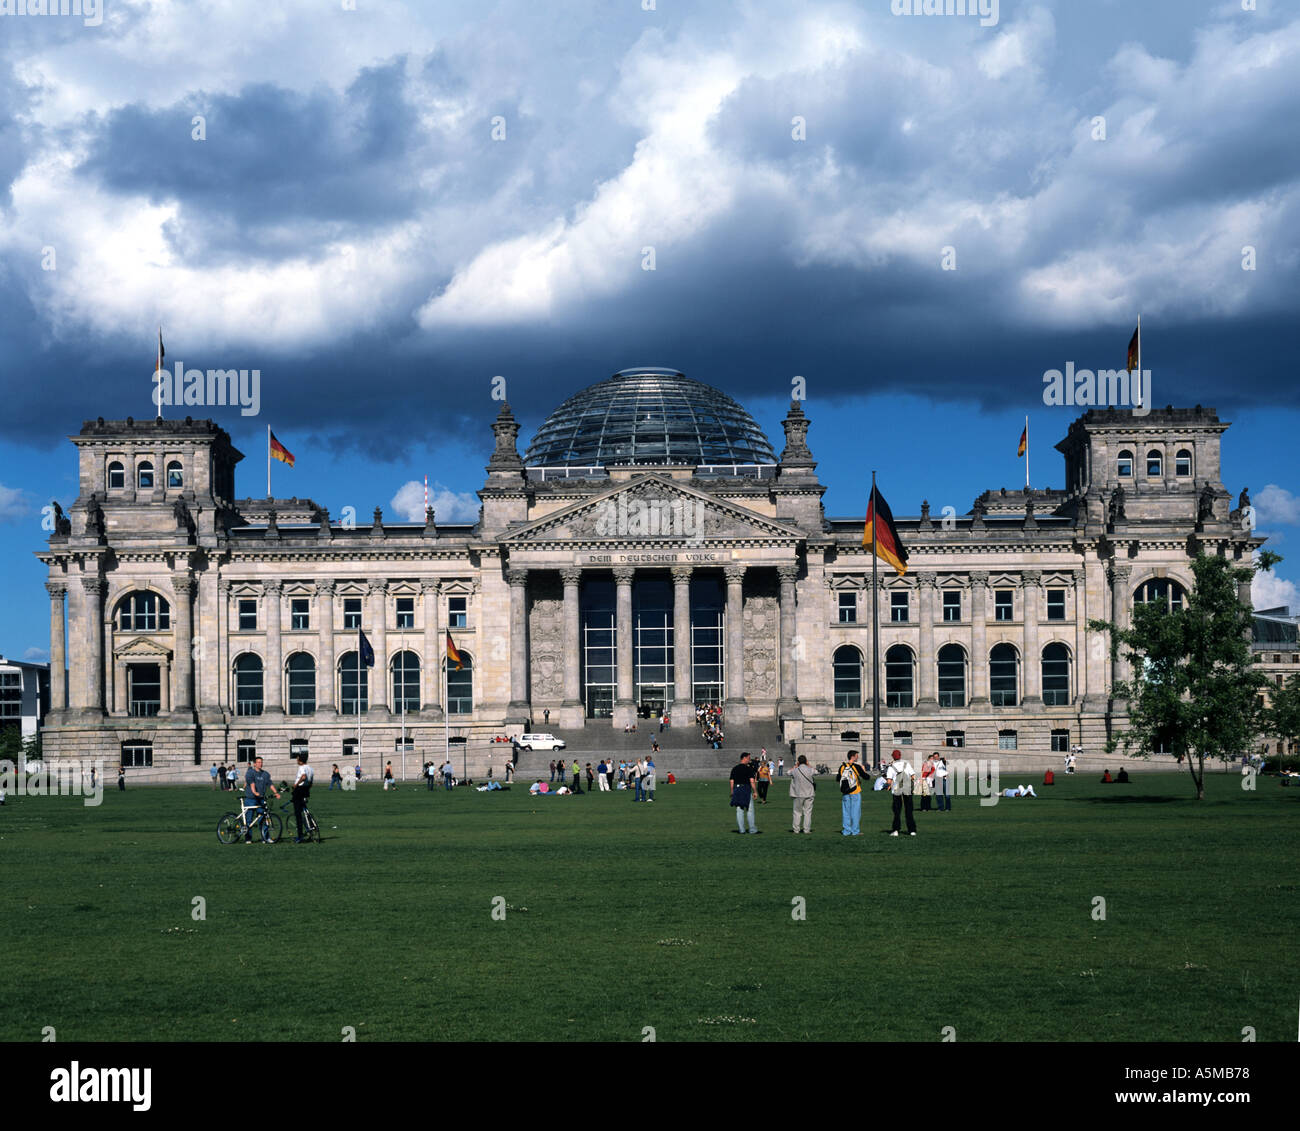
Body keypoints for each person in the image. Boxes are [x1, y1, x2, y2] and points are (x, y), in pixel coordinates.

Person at [243, 755, 280, 843]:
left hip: (261, 799)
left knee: (263, 819)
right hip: (251, 799)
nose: (261, 764)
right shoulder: (250, 773)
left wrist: (276, 792)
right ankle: (248, 838)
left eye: (261, 762)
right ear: (254, 764)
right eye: (259, 762)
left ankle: (265, 837)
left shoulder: (265, 774)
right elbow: (251, 783)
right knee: (249, 819)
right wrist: (255, 792)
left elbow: (270, 784)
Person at [887, 750, 917, 837]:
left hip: (897, 790)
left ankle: (896, 830)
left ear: (893, 756)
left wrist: (888, 783)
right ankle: (912, 830)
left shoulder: (891, 767)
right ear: (900, 756)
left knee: (897, 811)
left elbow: (889, 781)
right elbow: (913, 776)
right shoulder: (906, 764)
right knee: (909, 810)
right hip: (907, 789)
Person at [837, 750, 867, 836]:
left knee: (846, 812)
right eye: (857, 756)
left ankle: (846, 831)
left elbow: (838, 779)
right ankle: (855, 831)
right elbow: (866, 777)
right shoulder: (857, 767)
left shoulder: (842, 767)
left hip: (845, 792)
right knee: (855, 812)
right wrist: (863, 771)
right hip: (855, 791)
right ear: (853, 757)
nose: (857, 757)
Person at [729, 752, 760, 834]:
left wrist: (732, 791)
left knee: (739, 810)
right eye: (749, 758)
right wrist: (755, 791)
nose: (749, 760)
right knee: (749, 810)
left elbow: (731, 781)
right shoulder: (748, 768)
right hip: (745, 789)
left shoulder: (735, 768)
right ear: (744, 758)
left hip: (737, 789)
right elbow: (752, 781)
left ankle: (741, 830)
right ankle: (752, 829)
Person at [290, 753, 315, 842]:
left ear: (300, 760)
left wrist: (296, 784)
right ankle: (311, 827)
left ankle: (300, 836)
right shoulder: (311, 768)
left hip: (299, 790)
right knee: (304, 810)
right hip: (306, 790)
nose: (297, 760)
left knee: (298, 814)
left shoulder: (302, 768)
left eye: (297, 759)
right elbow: (311, 781)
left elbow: (303, 777)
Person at [789, 753, 815, 833]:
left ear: (798, 762)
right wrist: (809, 765)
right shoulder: (810, 770)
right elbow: (817, 772)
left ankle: (796, 829)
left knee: (797, 812)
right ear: (806, 761)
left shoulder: (795, 770)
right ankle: (806, 829)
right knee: (807, 812)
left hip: (798, 794)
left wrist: (795, 766)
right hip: (809, 793)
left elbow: (788, 772)